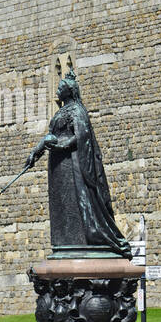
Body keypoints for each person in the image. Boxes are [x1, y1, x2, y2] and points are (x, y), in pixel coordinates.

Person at [22, 70, 131, 258]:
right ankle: (65, 243)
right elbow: (51, 135)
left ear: (68, 91)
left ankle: (81, 242)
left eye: (60, 88)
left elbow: (82, 137)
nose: (56, 90)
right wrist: (36, 151)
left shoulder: (77, 111)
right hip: (58, 167)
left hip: (72, 165)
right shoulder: (61, 112)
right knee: (61, 204)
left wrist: (60, 144)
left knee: (75, 203)